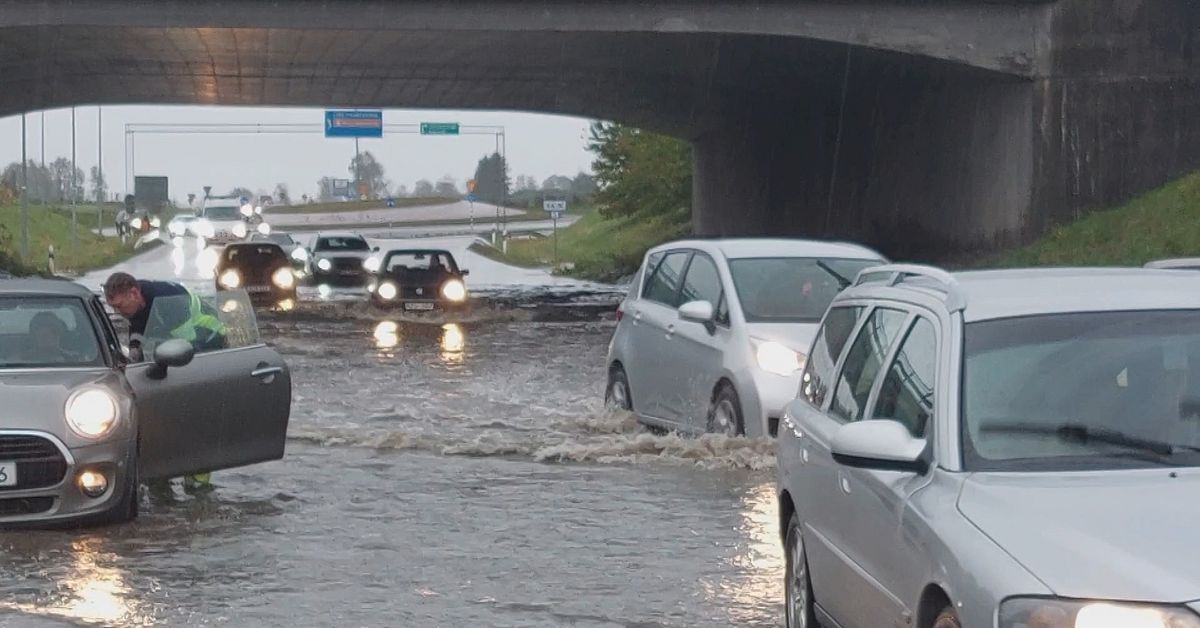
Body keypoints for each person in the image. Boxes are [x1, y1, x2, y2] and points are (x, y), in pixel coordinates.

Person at [103, 272, 225, 494]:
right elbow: (139, 337)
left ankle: (198, 483)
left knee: (191, 416)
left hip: (207, 345)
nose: (118, 313)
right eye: (114, 308)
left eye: (120, 307)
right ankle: (163, 477)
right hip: (181, 348)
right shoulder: (139, 304)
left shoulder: (169, 301)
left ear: (134, 292)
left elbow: (176, 346)